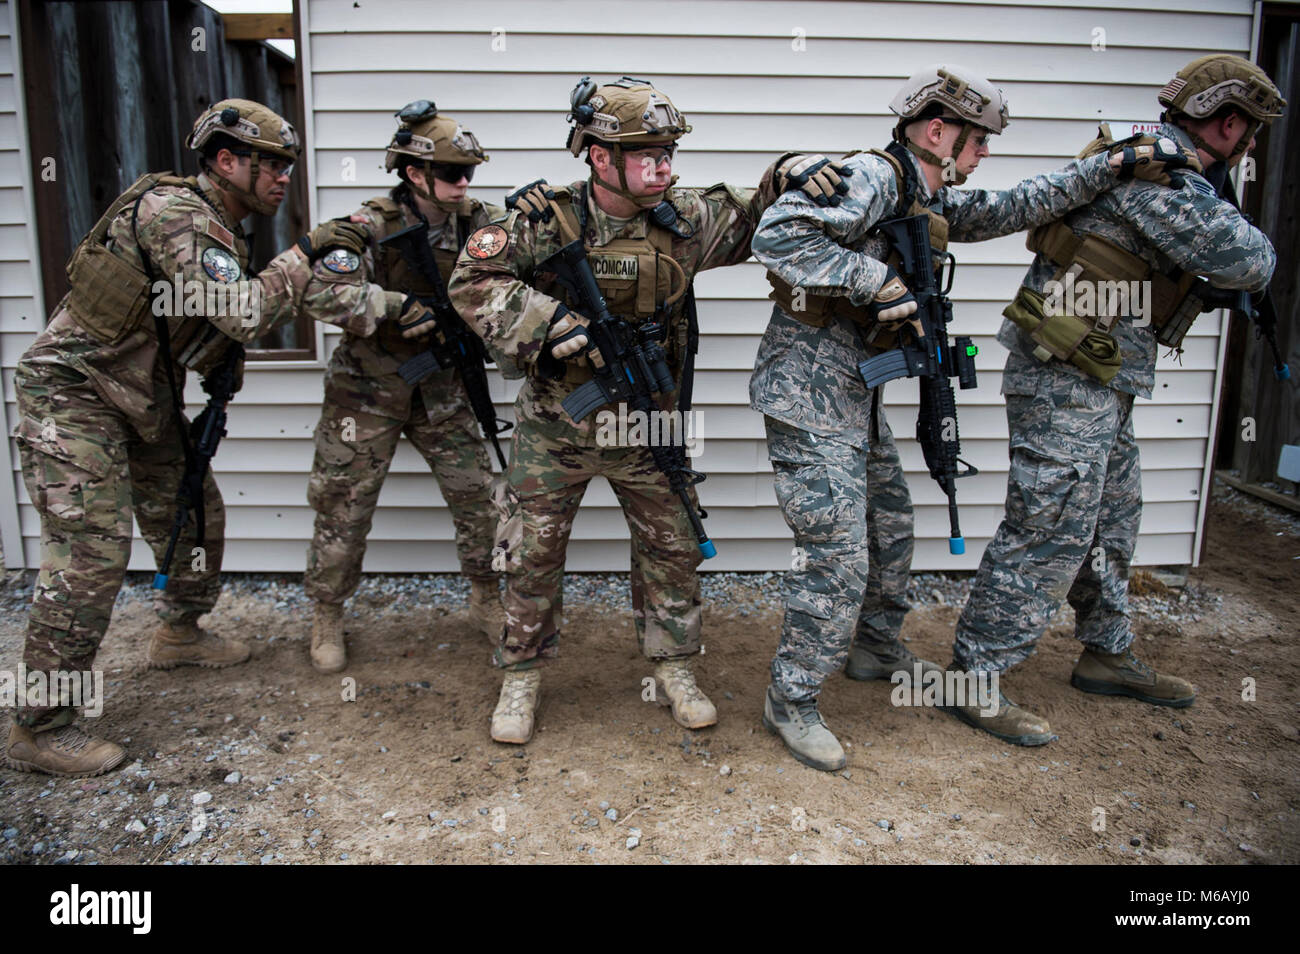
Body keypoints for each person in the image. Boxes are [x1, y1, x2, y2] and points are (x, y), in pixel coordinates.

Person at [749, 64, 1181, 770]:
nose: (983, 155)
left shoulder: (926, 195)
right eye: (978, 141)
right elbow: (780, 235)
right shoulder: (875, 177)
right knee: (837, 555)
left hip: (854, 392)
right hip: (806, 395)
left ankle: (874, 649)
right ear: (938, 130)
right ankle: (790, 698)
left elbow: (1015, 205)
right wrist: (874, 279)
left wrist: (1109, 166)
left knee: (891, 526)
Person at [6, 99, 429, 777]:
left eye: (288, 165)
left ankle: (180, 632)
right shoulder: (176, 214)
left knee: (195, 514)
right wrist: (308, 250)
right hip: (74, 395)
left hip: (142, 397)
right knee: (91, 551)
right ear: (227, 161)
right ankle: (38, 725)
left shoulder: (221, 230)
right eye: (271, 165)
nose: (283, 177)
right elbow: (245, 312)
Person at [449, 76, 842, 744]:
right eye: (647, 152)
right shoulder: (547, 218)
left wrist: (789, 170)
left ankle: (675, 666)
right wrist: (546, 320)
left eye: (669, 150)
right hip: (556, 426)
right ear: (600, 157)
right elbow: (472, 279)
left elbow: (760, 213)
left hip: (649, 423)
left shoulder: (685, 219)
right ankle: (520, 676)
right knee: (531, 554)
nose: (664, 165)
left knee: (672, 547)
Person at [944, 54, 1284, 745]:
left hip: (1104, 374)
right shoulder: (1156, 176)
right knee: (1048, 526)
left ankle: (1105, 651)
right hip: (1065, 377)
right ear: (1227, 121)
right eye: (1249, 131)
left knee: (1111, 519)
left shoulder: (1149, 162)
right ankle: (972, 674)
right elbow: (1250, 259)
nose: (1250, 145)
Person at [304, 100, 507, 672]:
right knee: (343, 506)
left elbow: (528, 263)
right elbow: (321, 292)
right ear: (414, 173)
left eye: (469, 172)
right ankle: (327, 613)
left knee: (478, 497)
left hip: (443, 386)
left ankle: (486, 596)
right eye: (450, 173)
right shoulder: (369, 225)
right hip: (366, 391)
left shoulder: (481, 222)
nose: (463, 183)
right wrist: (392, 306)